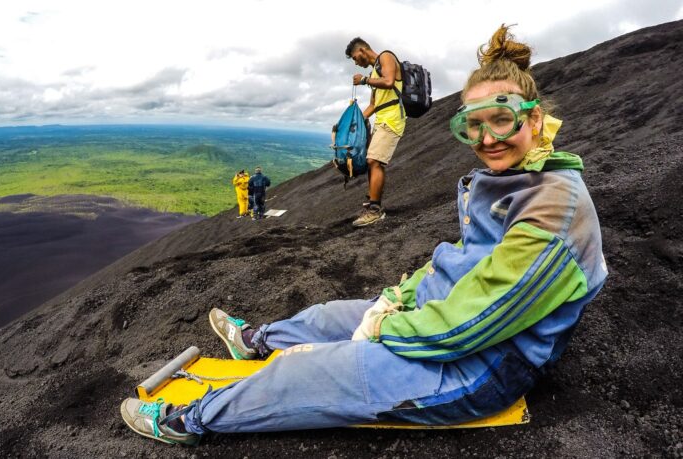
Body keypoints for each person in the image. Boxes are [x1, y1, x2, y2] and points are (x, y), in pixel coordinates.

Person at [120, 25, 608, 445]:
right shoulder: (514, 179)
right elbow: (465, 257)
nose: (486, 140)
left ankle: (191, 419)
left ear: (535, 117)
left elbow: (470, 324)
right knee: (330, 316)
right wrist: (399, 296)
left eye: (502, 120)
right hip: (447, 319)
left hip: (480, 366)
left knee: (302, 372)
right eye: (472, 126)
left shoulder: (553, 214)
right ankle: (256, 341)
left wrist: (383, 329)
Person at [346, 37, 406, 227]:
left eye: (355, 57)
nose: (356, 62)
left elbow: (389, 81)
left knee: (374, 160)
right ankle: (370, 203)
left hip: (392, 118)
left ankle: (374, 210)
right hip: (381, 118)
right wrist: (356, 120)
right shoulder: (374, 72)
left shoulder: (386, 57)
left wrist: (364, 80)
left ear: (362, 50)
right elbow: (373, 104)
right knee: (372, 161)